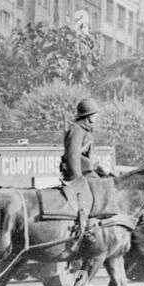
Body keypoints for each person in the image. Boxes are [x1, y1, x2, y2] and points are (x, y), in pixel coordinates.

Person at [61, 97, 104, 246]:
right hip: (78, 174)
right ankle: (86, 230)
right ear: (90, 116)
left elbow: (89, 158)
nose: (97, 118)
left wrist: (103, 172)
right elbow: (72, 156)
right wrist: (78, 179)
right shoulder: (77, 130)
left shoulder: (86, 131)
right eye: (95, 115)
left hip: (87, 171)